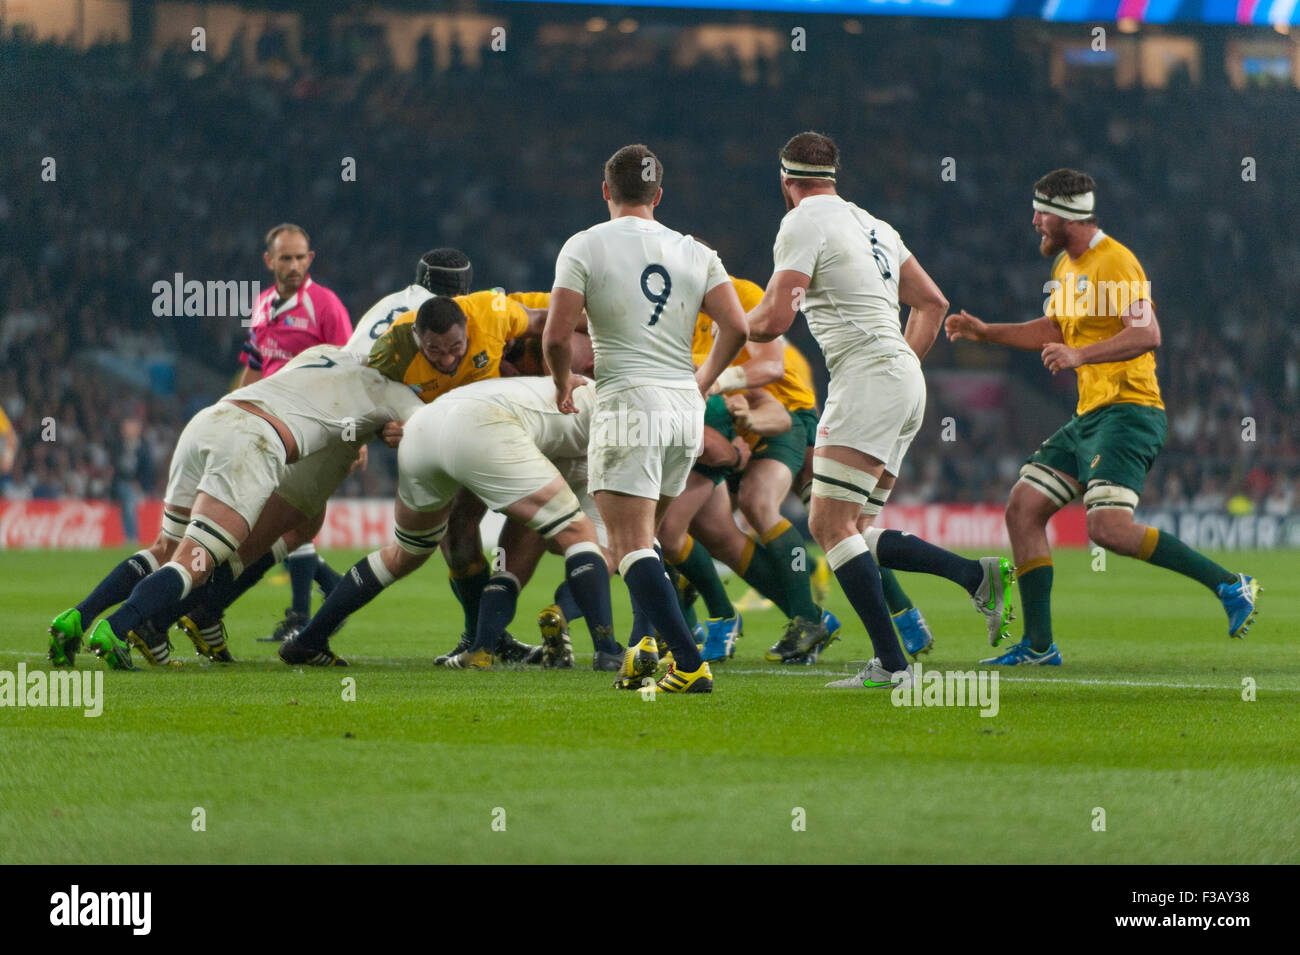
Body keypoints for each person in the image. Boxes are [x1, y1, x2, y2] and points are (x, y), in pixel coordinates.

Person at [944, 168, 1260, 664]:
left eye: (1041, 212)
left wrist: (1079, 356)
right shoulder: (1065, 268)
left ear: (1067, 216)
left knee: (1108, 528)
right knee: (1023, 507)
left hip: (1129, 410)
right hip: (1090, 414)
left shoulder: (1115, 261)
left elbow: (1148, 333)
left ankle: (1229, 584)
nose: (1034, 221)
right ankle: (1039, 646)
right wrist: (987, 332)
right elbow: (1054, 329)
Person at [746, 131, 1014, 690]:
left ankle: (893, 664)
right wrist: (900, 366)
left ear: (785, 180)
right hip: (902, 376)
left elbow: (773, 321)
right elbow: (932, 302)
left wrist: (723, 321)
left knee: (827, 524)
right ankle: (974, 576)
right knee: (854, 529)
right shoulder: (876, 225)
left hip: (867, 376)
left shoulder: (800, 222)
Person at [48, 345, 417, 669]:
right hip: (253, 440)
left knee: (165, 549)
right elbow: (408, 429)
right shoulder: (393, 393)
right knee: (196, 564)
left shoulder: (326, 353)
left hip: (210, 419)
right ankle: (118, 627)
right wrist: (383, 432)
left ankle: (77, 617)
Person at [544, 143, 748, 694]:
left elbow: (557, 336)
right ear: (659, 195)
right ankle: (643, 649)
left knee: (627, 544)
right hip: (684, 409)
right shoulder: (697, 251)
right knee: (647, 538)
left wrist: (562, 382)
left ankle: (689, 664)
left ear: (605, 190)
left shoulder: (584, 245)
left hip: (628, 400)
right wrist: (702, 381)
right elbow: (738, 327)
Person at [279, 375, 619, 669]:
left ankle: (308, 640)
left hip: (423, 427)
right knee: (580, 534)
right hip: (482, 425)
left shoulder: (557, 386)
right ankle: (607, 651)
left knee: (405, 552)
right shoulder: (616, 413)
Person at [238, 223, 354, 643]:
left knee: (286, 519)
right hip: (270, 425)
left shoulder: (326, 306)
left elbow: (352, 373)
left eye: (300, 257)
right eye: (285, 257)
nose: (294, 265)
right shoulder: (262, 304)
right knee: (277, 522)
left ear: (311, 258)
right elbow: (256, 364)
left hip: (313, 426)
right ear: (269, 260)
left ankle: (303, 615)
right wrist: (234, 412)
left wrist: (352, 434)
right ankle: (330, 593)